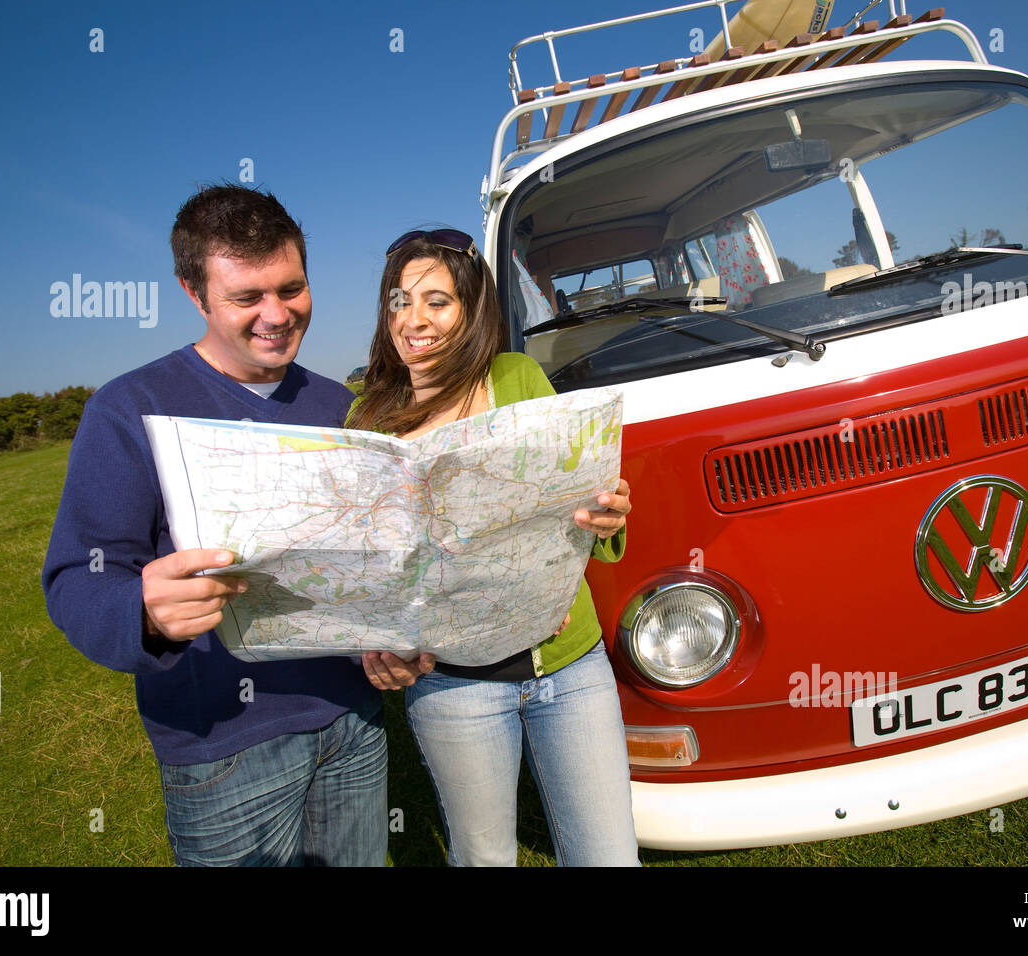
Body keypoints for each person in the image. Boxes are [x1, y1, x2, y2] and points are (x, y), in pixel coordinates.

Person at [41, 184, 433, 866]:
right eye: (247, 298)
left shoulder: (338, 405)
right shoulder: (128, 408)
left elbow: (369, 559)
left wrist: (387, 642)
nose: (277, 316)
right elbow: (76, 576)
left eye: (292, 288)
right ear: (195, 294)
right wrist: (141, 611)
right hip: (222, 751)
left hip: (354, 724)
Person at [348, 228, 640, 866]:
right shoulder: (367, 423)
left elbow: (580, 502)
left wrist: (607, 513)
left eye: (437, 301)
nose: (414, 319)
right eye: (398, 300)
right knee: (485, 859)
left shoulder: (517, 376)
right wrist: (377, 637)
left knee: (609, 857)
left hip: (568, 663)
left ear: (471, 310)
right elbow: (366, 570)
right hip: (455, 684)